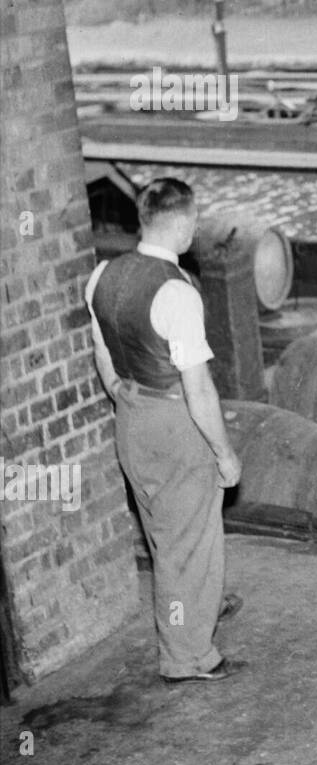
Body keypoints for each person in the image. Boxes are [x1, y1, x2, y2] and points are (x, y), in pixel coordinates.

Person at [85, 179, 244, 684]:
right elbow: (200, 390)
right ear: (181, 224)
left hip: (131, 414)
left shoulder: (103, 275)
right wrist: (224, 453)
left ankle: (194, 606)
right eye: (194, 223)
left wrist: (124, 395)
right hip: (176, 420)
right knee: (191, 538)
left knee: (163, 531)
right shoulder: (177, 291)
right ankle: (187, 655)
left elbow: (103, 356)